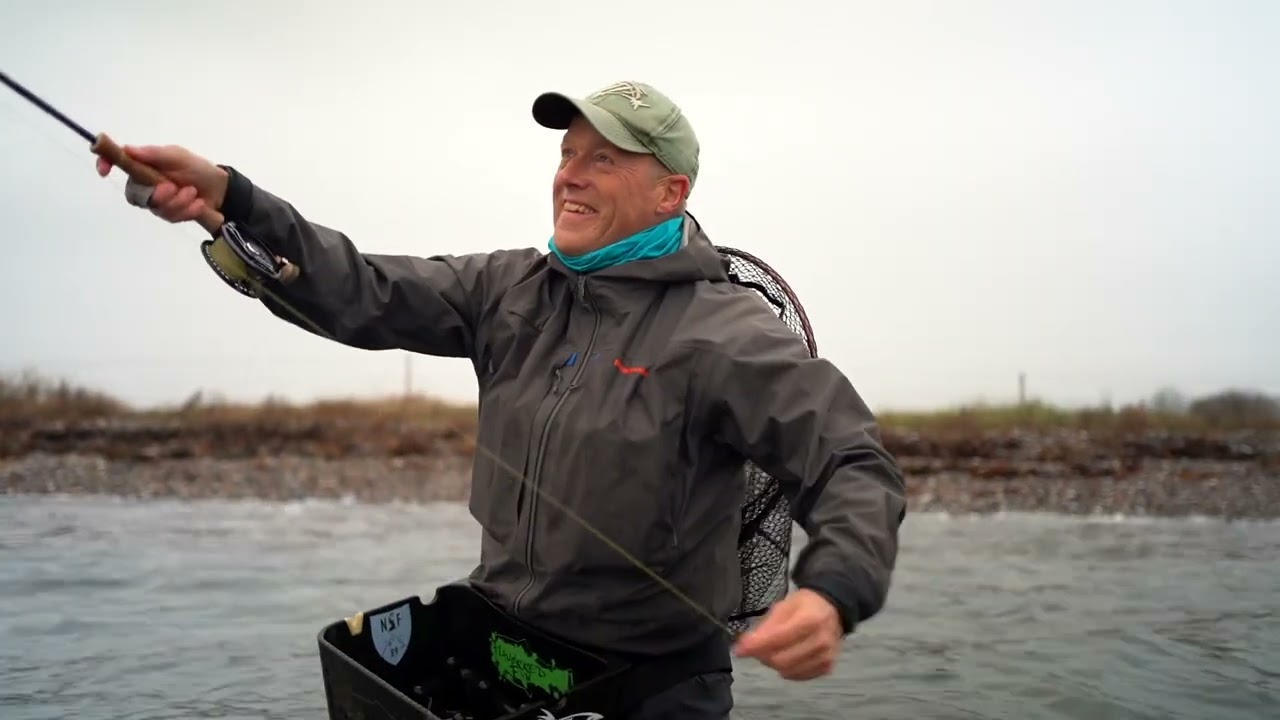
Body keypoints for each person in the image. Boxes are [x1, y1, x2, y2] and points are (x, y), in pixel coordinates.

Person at [97, 80, 908, 719]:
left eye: (605, 159)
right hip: (501, 657)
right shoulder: (508, 288)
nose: (571, 174)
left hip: (653, 689)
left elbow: (852, 462)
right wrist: (231, 201)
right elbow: (361, 288)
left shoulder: (723, 331)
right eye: (568, 152)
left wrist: (832, 591)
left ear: (671, 192)